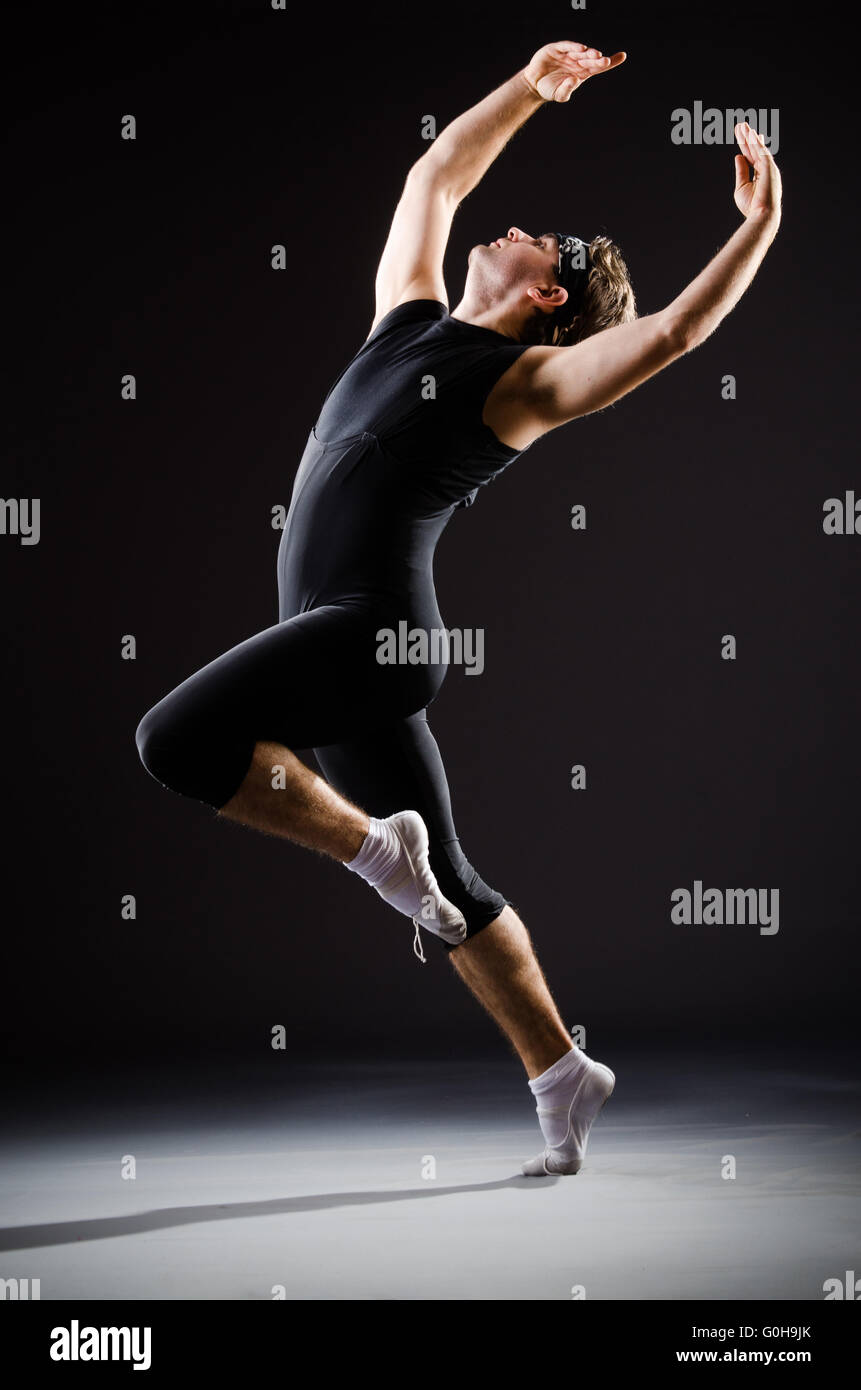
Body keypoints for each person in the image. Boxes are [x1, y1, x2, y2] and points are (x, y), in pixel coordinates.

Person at [135, 40, 782, 1176]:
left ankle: (376, 857)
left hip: (374, 639)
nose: (512, 220)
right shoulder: (405, 321)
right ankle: (562, 1074)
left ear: (547, 294)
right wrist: (531, 91)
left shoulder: (522, 386)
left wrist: (758, 225)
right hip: (340, 650)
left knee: (176, 740)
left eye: (541, 237)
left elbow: (674, 332)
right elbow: (434, 179)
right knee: (459, 886)